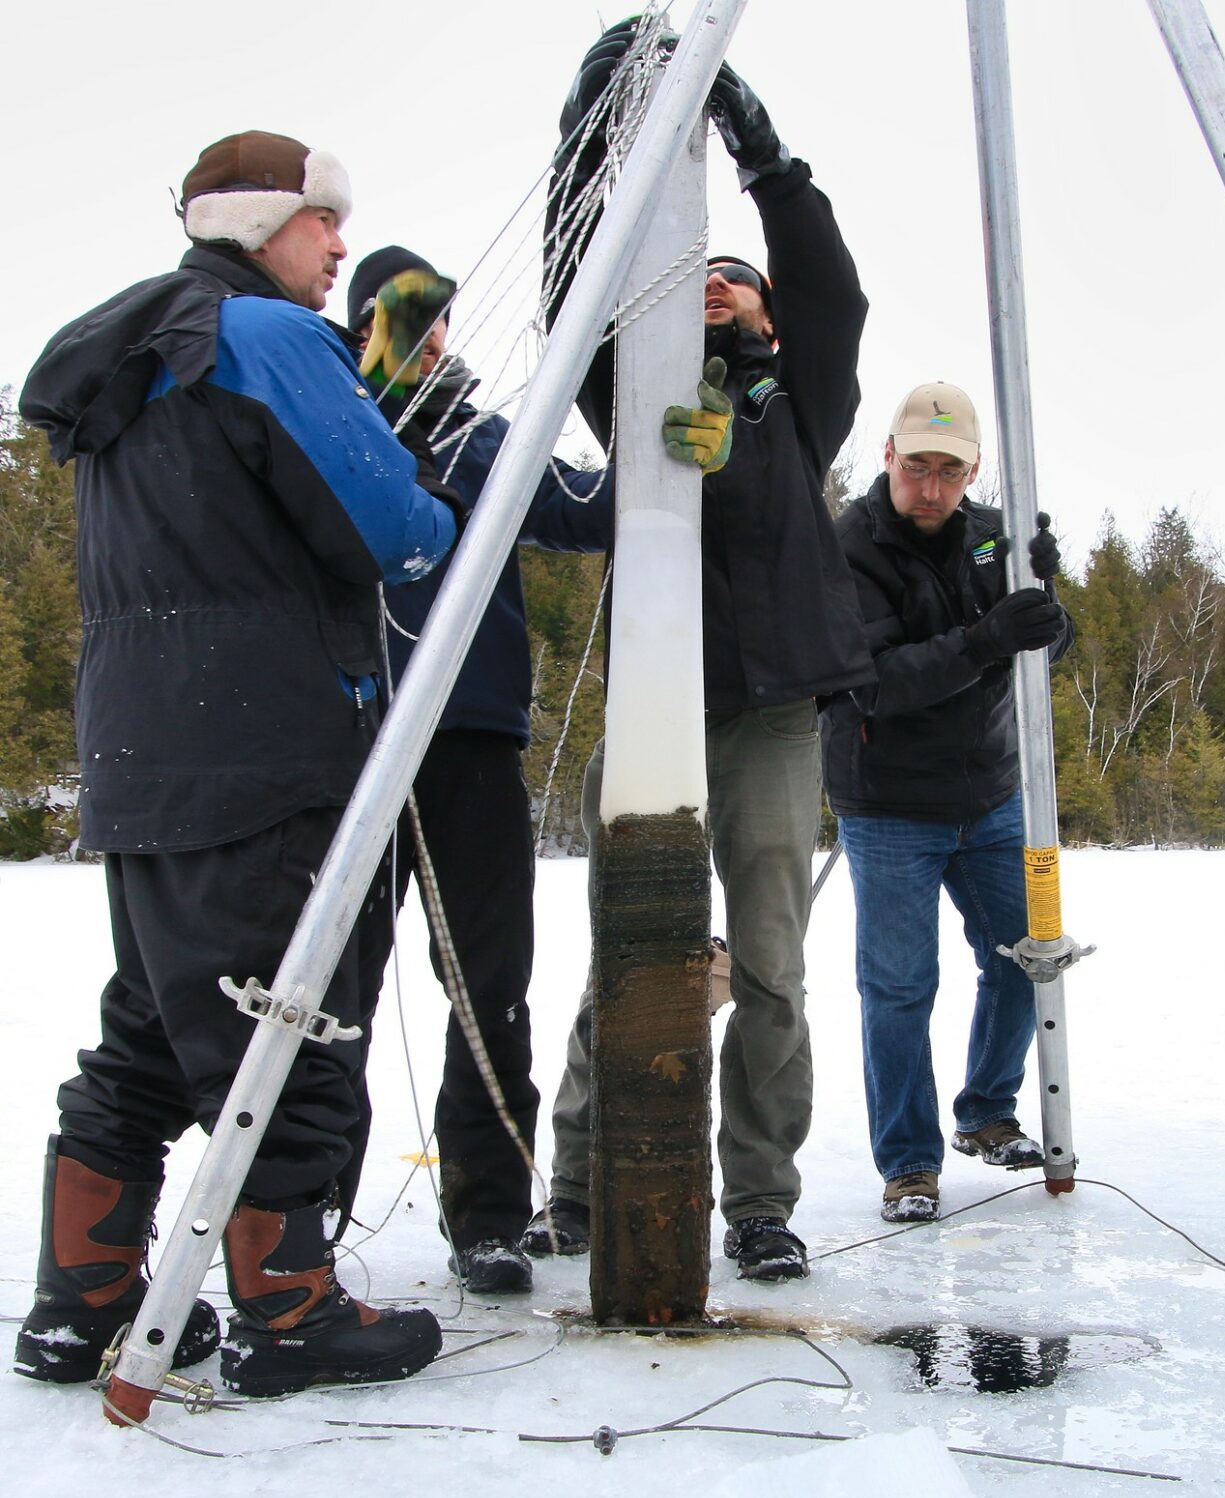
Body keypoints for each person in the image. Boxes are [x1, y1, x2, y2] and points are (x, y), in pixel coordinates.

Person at [14, 132, 459, 1396]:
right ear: (264, 220)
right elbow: (394, 526)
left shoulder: (139, 353)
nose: (337, 249)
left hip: (145, 749)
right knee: (291, 1019)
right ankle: (290, 1309)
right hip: (265, 742)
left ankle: (81, 1298)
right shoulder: (261, 336)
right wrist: (406, 453)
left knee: (158, 1022)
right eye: (324, 222)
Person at [524, 25, 872, 1284]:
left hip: (776, 715)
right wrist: (589, 134)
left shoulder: (807, 401)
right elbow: (572, 287)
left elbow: (832, 288)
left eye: (740, 278)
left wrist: (766, 159)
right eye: (700, 272)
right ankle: (576, 1178)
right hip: (659, 708)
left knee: (770, 969)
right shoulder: (634, 384)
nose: (717, 283)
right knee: (632, 947)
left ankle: (762, 1199)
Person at [343, 245, 613, 1296]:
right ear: (361, 327)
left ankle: (491, 1219)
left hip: (472, 740)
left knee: (489, 989)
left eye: (436, 321)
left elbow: (587, 511)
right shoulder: (326, 429)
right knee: (330, 993)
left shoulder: (485, 439)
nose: (424, 340)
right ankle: (303, 1216)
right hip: (351, 745)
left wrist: (665, 448)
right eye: (399, 320)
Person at [822, 383, 1072, 1222]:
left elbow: (1042, 646)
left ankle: (988, 1110)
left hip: (992, 792)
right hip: (889, 801)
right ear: (887, 456)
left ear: (972, 471)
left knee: (1028, 952)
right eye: (917, 466)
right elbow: (878, 681)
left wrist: (1047, 608)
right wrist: (988, 637)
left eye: (950, 472)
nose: (931, 489)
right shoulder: (848, 547)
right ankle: (908, 1163)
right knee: (898, 986)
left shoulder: (996, 534)